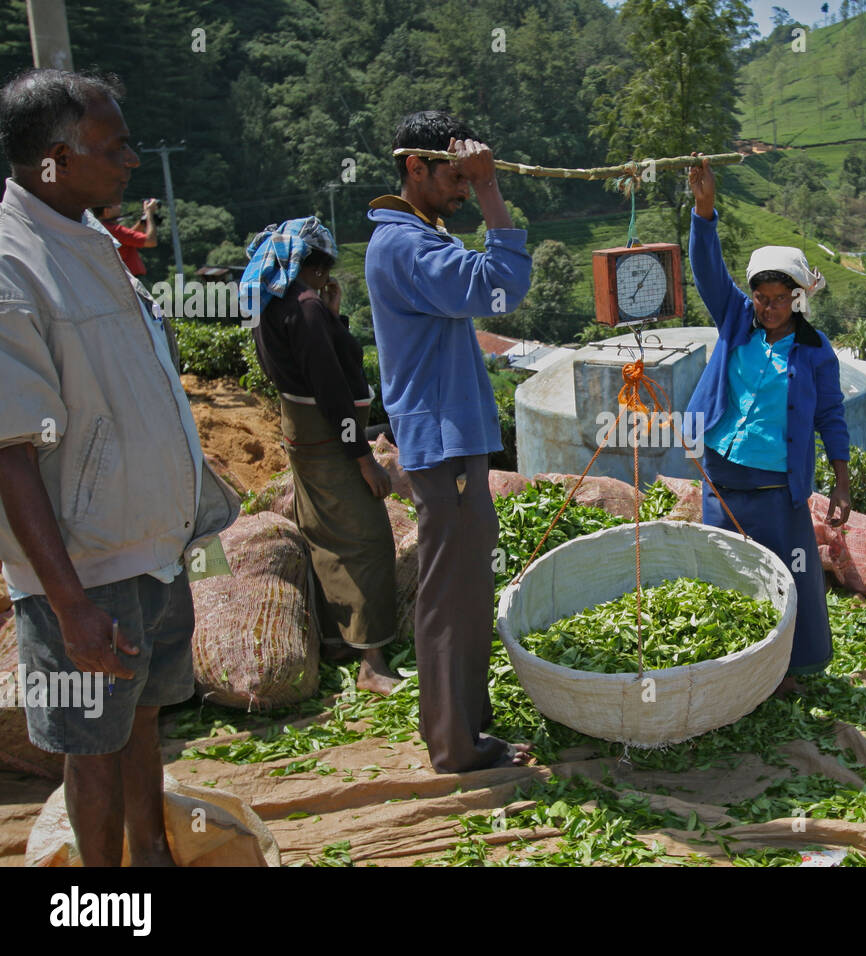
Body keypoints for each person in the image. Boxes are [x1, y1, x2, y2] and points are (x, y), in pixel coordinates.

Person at [0, 69, 240, 865]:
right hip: (84, 570)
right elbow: (9, 453)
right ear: (55, 160)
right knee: (91, 750)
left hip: (150, 552)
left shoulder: (92, 235)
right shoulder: (11, 266)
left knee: (140, 720)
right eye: (116, 146)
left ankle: (153, 862)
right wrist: (69, 606)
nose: (133, 160)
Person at [364, 109, 532, 773]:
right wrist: (494, 193)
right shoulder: (408, 247)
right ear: (415, 167)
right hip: (441, 443)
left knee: (463, 592)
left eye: (472, 180)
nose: (464, 190)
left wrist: (479, 185)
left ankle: (467, 722)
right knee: (450, 596)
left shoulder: (417, 238)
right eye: (457, 177)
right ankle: (455, 746)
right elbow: (503, 288)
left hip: (447, 442)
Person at [685, 155, 852, 692]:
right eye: (762, 297)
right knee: (726, 574)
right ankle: (728, 668)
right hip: (723, 477)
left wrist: (843, 479)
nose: (770, 307)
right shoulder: (736, 319)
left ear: (799, 299)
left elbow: (830, 415)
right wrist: (703, 212)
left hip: (777, 488)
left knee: (790, 575)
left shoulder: (815, 351)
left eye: (781, 299)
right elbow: (708, 271)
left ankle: (785, 671)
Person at [241, 216, 402, 696]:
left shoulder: (276, 304)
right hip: (330, 437)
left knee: (322, 532)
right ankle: (372, 661)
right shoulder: (306, 309)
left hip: (304, 435)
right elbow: (332, 391)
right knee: (365, 537)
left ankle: (335, 639)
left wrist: (333, 315)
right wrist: (363, 459)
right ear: (315, 265)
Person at [93, 197, 158, 277]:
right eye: (115, 205)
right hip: (131, 279)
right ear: (106, 212)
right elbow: (151, 241)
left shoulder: (103, 229)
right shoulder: (115, 230)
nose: (119, 206)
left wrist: (143, 220)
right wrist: (149, 213)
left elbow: (128, 238)